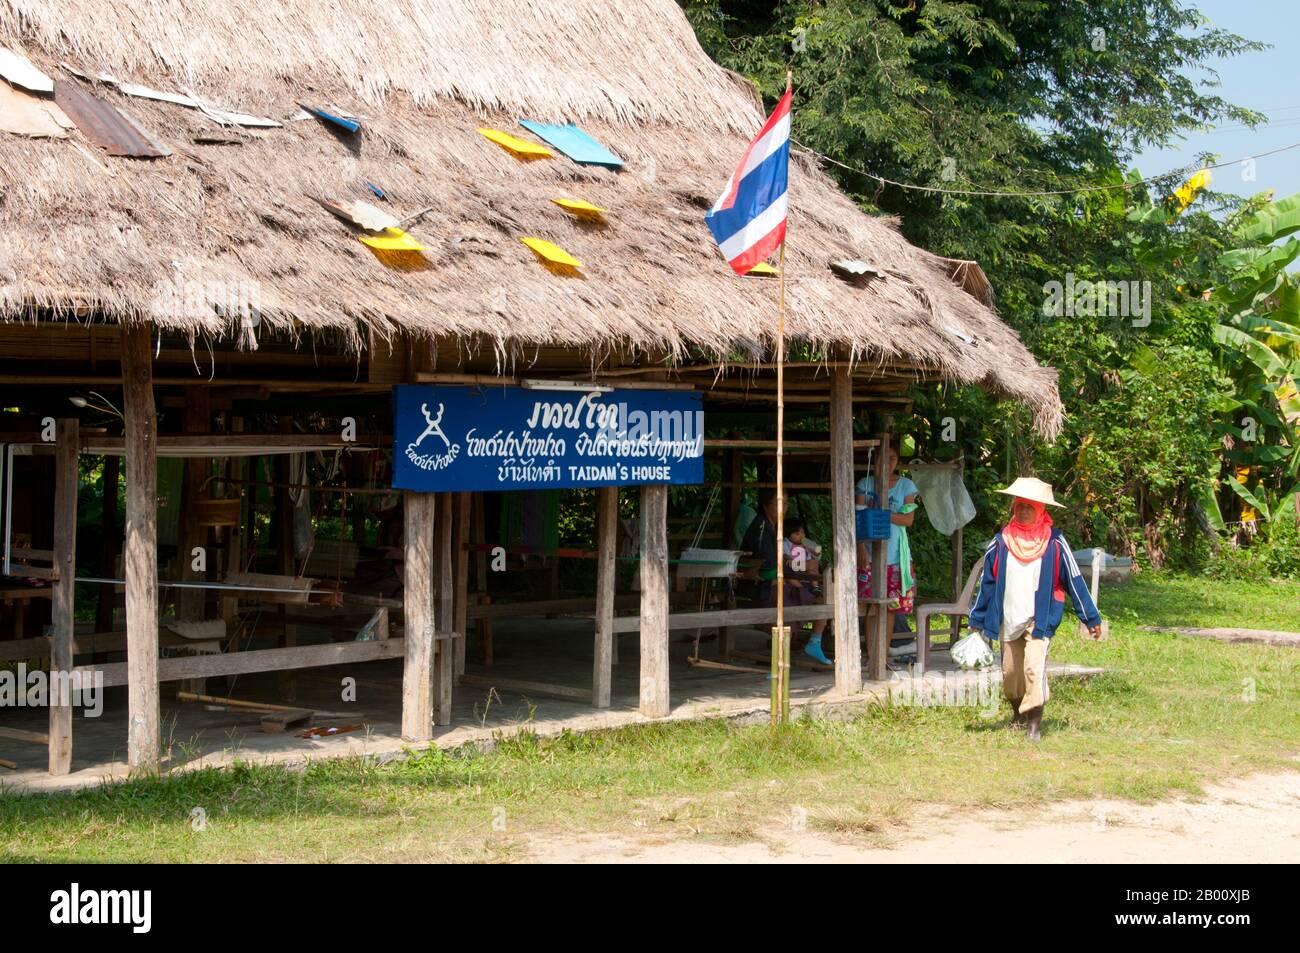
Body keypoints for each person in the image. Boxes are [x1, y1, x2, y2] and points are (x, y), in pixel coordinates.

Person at [967, 477, 1103, 742]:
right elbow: (987, 583)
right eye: (1020, 505)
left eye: (1030, 506)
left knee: (1033, 668)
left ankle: (1034, 726)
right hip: (1008, 615)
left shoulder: (1054, 542)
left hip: (1038, 618)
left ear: (1041, 509)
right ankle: (1017, 716)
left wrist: (1090, 617)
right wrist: (978, 618)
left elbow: (1074, 579)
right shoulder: (1001, 542)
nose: (1024, 510)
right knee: (1011, 673)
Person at [741, 490, 832, 665]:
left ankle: (814, 643)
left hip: (782, 580)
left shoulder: (774, 528)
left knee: (823, 600)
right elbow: (768, 565)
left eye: (787, 503)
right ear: (766, 506)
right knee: (791, 603)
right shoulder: (761, 527)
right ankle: (778, 662)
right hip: (762, 585)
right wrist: (798, 574)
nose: (784, 507)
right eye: (779, 503)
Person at [855, 442, 919, 659]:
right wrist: (860, 545)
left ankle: (880, 657)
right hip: (870, 556)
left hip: (895, 555)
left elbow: (908, 519)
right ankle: (872, 655)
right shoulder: (865, 484)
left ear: (897, 461)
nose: (888, 462)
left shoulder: (906, 486)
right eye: (883, 457)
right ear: (875, 460)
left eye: (892, 458)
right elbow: (858, 519)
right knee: (870, 607)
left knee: (891, 607)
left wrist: (879, 514)